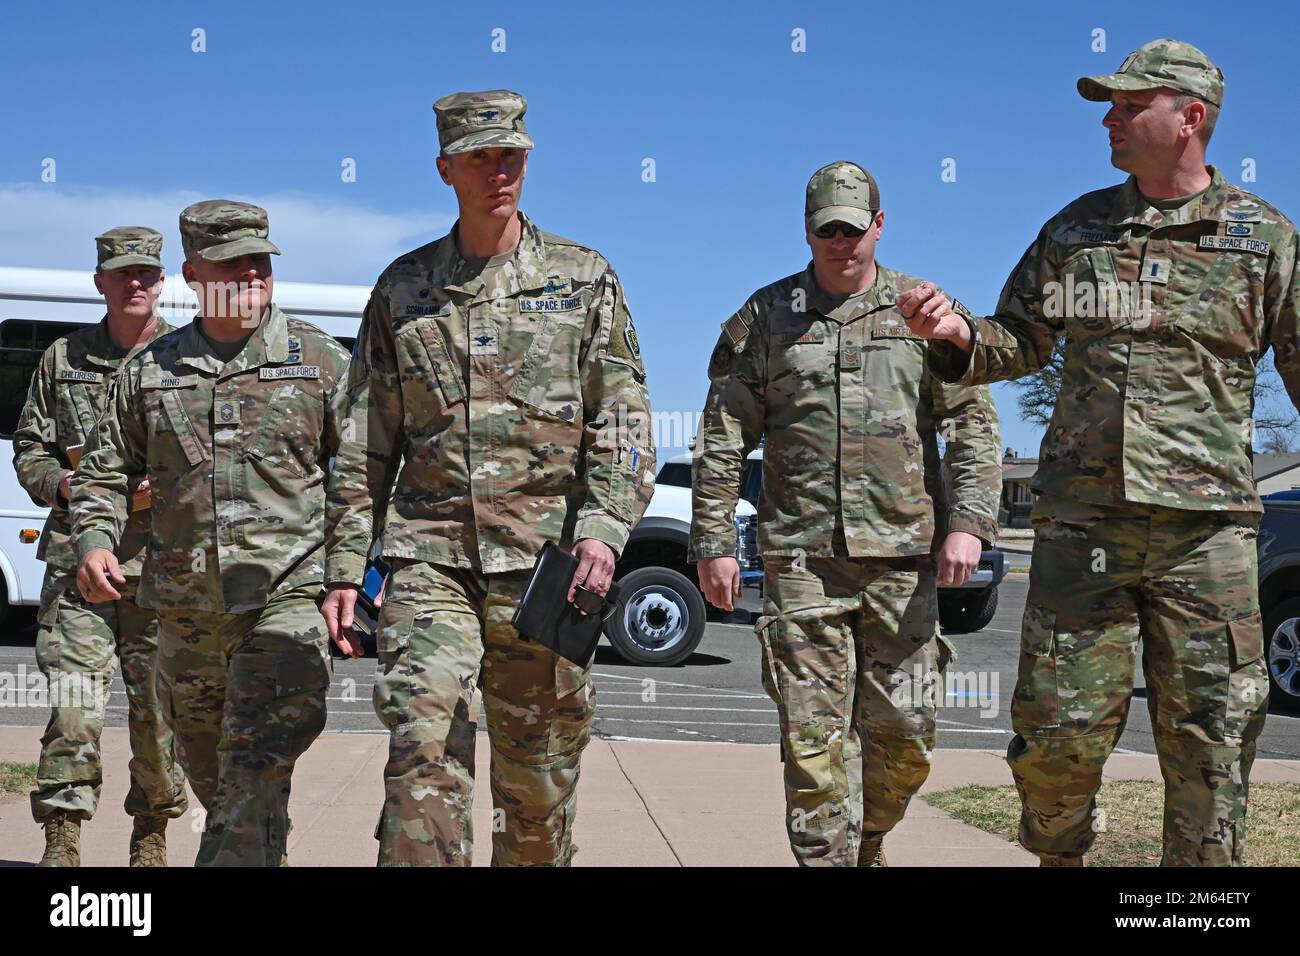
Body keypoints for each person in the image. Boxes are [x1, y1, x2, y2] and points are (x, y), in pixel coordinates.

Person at [897, 39, 1291, 866]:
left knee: (1212, 743)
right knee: (1054, 742)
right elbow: (1017, 339)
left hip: (1207, 539)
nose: (1108, 119)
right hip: (1085, 533)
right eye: (1106, 105)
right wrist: (957, 332)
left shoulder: (1264, 242)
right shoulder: (1077, 231)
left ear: (1190, 118)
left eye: (1126, 104)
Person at [320, 89, 656, 866]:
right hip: (429, 560)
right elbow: (366, 441)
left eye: (510, 155)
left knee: (536, 794)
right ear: (446, 169)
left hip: (547, 574)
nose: (497, 171)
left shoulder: (583, 280)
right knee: (423, 748)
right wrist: (344, 570)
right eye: (479, 157)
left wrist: (604, 534)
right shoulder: (403, 290)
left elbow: (626, 424)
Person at [692, 162, 1001, 866]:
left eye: (853, 230)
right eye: (827, 230)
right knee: (813, 746)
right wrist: (713, 539)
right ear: (806, 231)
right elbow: (721, 435)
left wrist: (969, 522)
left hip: (902, 561)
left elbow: (974, 424)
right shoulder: (767, 318)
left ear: (880, 226)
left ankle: (868, 840)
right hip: (801, 565)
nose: (841, 243)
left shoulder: (924, 312)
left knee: (905, 741)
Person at [72, 201, 350, 866]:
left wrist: (348, 573)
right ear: (194, 273)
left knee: (252, 764)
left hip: (284, 607)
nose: (252, 272)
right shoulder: (149, 372)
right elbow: (102, 474)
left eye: (261, 259)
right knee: (223, 785)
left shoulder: (320, 361)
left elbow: (364, 472)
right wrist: (95, 541)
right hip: (186, 618)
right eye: (233, 263)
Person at [15, 226, 186, 866]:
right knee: (74, 707)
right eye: (122, 273)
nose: (135, 283)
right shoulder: (64, 359)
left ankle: (151, 838)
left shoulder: (183, 358)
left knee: (158, 714)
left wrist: (159, 490)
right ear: (101, 283)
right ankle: (62, 840)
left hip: (163, 568)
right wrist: (63, 485)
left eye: (146, 273)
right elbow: (29, 446)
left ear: (161, 281)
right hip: (77, 568)